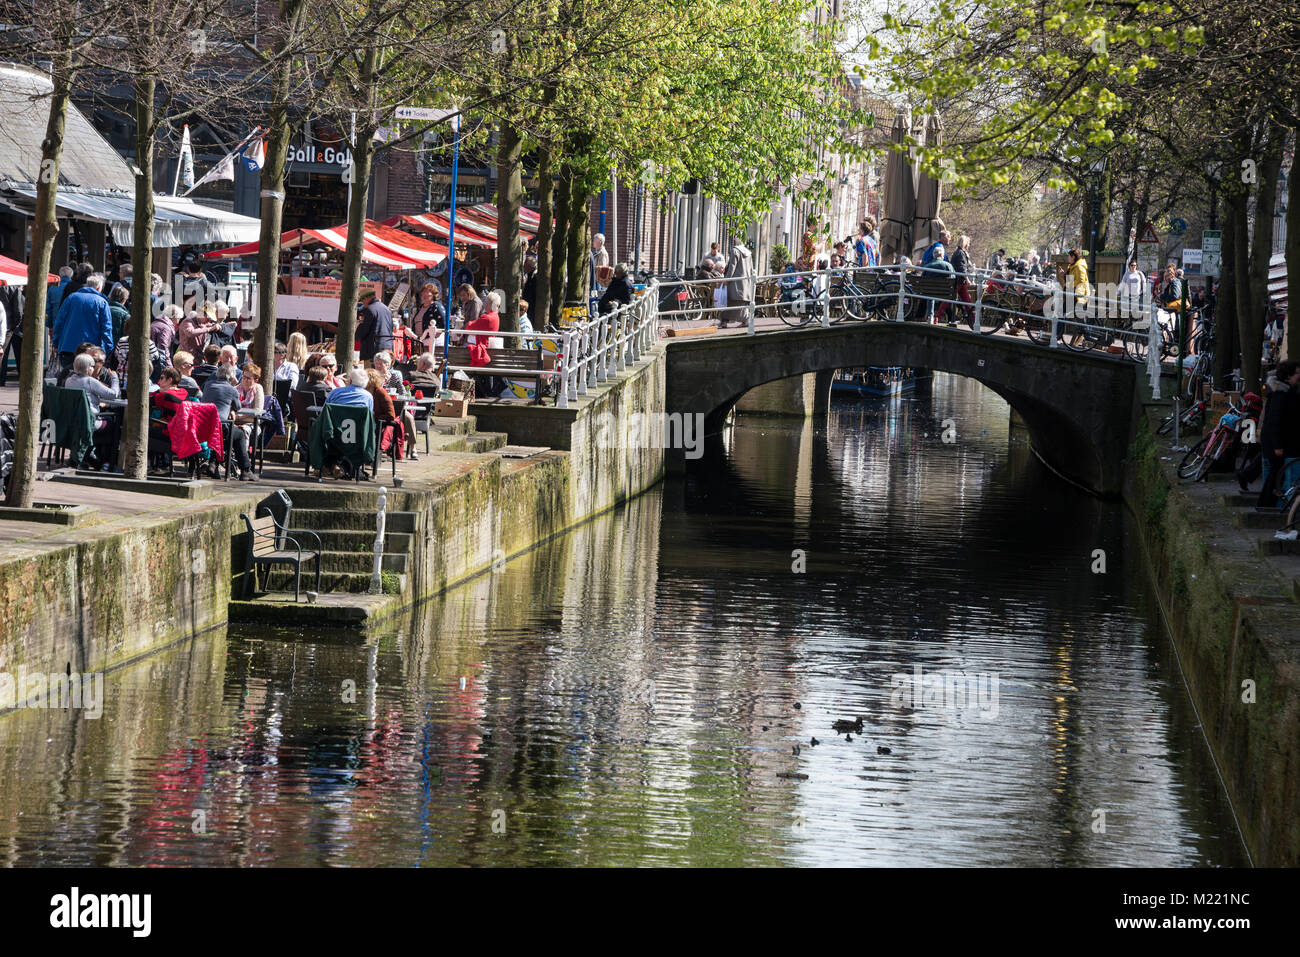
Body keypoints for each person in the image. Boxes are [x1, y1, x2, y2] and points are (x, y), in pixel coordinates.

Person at [202, 363, 255, 480]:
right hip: (220, 428)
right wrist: (234, 385)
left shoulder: (207, 385)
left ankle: (213, 463)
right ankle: (245, 470)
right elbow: (238, 407)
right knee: (239, 435)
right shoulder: (232, 390)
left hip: (203, 427)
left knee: (225, 436)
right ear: (232, 377)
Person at [1258, 361, 1300, 507]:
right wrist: (1277, 445)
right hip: (1279, 443)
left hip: (1281, 442)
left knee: (1276, 475)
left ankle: (1267, 503)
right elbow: (1274, 421)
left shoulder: (1286, 392)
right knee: (1276, 476)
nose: (1299, 376)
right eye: (1297, 373)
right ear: (1288, 376)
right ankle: (1266, 504)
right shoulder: (1280, 394)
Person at [52, 272, 113, 367]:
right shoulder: (102, 302)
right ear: (99, 288)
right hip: (91, 350)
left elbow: (59, 322)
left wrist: (56, 343)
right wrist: (108, 350)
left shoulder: (71, 298)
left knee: (68, 378)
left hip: (68, 347)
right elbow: (106, 329)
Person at [356, 289, 395, 363]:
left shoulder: (369, 310)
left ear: (366, 298)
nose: (363, 303)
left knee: (372, 373)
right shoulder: (386, 309)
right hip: (388, 349)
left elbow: (363, 330)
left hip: (373, 351)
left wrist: (355, 336)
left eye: (362, 301)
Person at [922, 244, 956, 323]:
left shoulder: (927, 266)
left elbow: (922, 278)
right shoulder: (948, 266)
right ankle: (950, 318)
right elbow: (954, 278)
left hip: (929, 292)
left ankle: (930, 316)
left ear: (934, 256)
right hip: (945, 293)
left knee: (930, 292)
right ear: (941, 255)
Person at [950, 235, 974, 323]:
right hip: (959, 281)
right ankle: (938, 315)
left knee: (967, 300)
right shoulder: (960, 253)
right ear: (965, 244)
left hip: (959, 281)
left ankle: (973, 319)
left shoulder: (958, 252)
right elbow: (962, 268)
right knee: (949, 299)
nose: (969, 245)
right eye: (968, 243)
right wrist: (967, 280)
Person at [1066, 248, 1090, 317]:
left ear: (1073, 257)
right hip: (1074, 293)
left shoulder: (1079, 267)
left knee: (1064, 311)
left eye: (1069, 256)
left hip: (1079, 294)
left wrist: (1069, 285)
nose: (1068, 258)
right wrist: (1063, 275)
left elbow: (1081, 281)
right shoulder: (1072, 266)